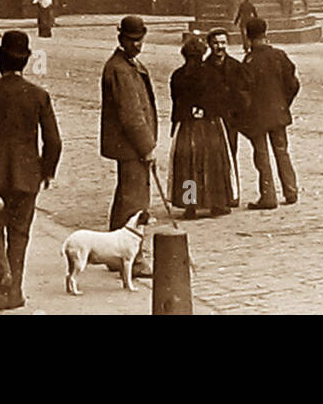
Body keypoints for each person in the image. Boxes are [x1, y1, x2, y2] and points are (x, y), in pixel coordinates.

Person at [0, 29, 62, 312]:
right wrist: (47, 171)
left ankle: (1, 272)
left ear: (0, 59)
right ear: (26, 61)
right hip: (27, 177)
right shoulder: (38, 96)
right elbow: (53, 140)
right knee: (20, 233)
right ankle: (12, 291)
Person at [99, 15, 157, 278]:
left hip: (129, 146)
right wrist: (147, 146)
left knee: (125, 197)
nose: (137, 45)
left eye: (140, 40)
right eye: (132, 40)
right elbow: (131, 115)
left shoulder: (126, 64)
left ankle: (113, 254)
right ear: (121, 38)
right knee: (135, 202)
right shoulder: (121, 69)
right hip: (131, 146)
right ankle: (133, 261)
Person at [169, 34, 238, 219]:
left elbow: (176, 101)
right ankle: (216, 203)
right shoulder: (211, 74)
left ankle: (189, 205)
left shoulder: (178, 75)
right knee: (213, 164)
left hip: (187, 127)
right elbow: (220, 101)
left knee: (188, 167)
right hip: (210, 126)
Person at [241, 16, 300, 209]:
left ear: (248, 36)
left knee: (262, 155)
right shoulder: (279, 55)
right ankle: (291, 191)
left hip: (257, 116)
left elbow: (244, 92)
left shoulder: (249, 61)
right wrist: (284, 103)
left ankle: (268, 197)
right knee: (282, 151)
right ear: (265, 33)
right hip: (278, 112)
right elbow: (293, 84)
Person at [204, 27, 248, 162]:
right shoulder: (204, 67)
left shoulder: (236, 66)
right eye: (216, 43)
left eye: (223, 43)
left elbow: (244, 91)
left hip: (231, 118)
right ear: (210, 45)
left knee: (231, 153)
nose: (220, 47)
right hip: (212, 118)